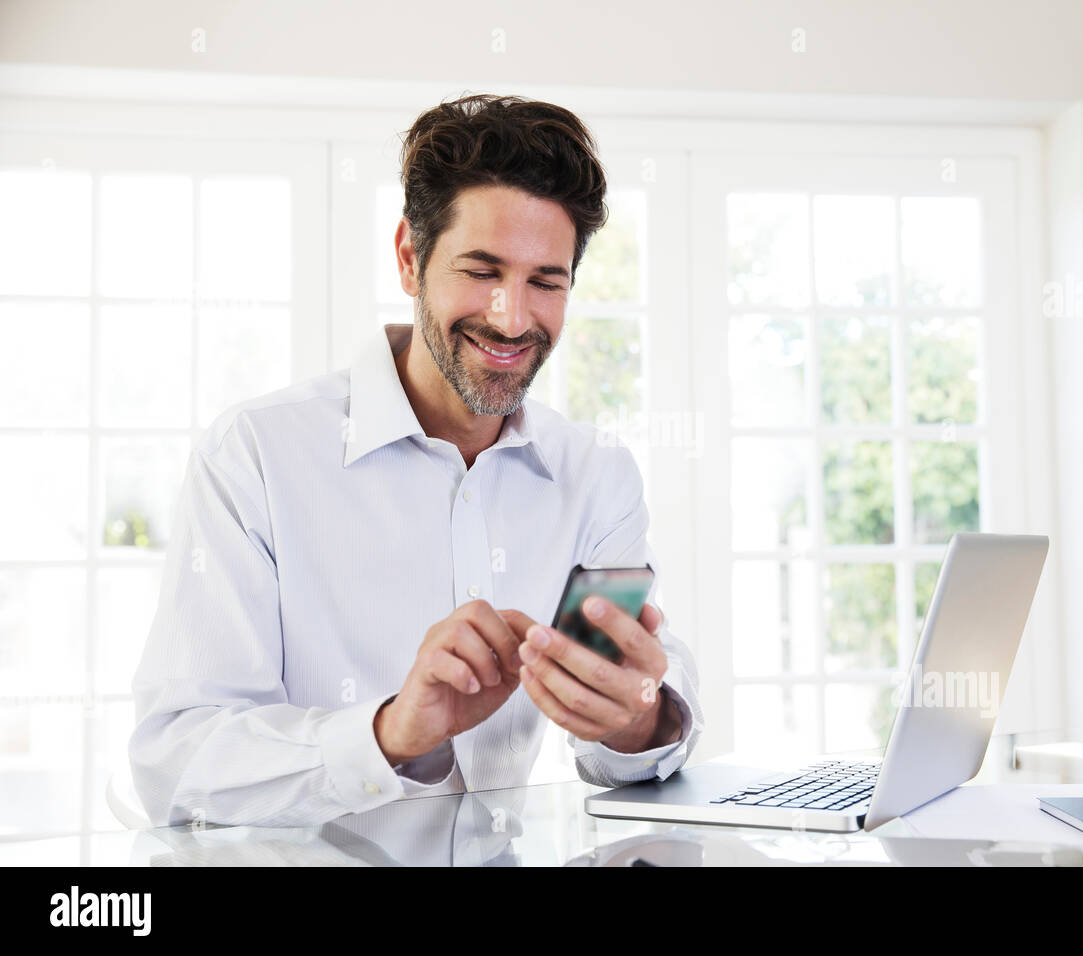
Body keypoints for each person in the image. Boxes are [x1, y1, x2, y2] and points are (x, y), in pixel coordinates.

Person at [129, 93, 703, 828]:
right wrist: (390, 733)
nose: (512, 317)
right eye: (482, 269)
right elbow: (173, 761)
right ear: (410, 257)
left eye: (545, 282)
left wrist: (635, 719)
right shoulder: (255, 456)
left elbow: (639, 716)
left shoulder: (597, 476)